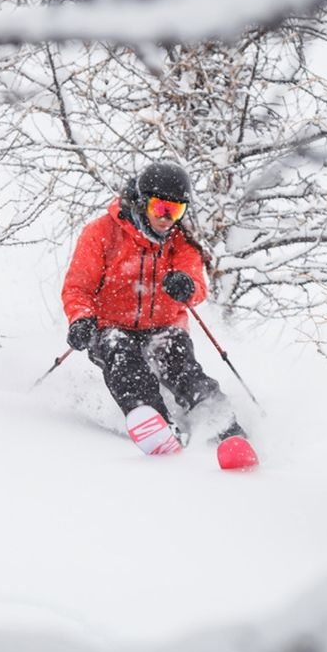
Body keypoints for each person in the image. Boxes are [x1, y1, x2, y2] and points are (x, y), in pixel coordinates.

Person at [61, 160, 246, 446]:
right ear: (141, 202)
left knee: (182, 366)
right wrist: (81, 319)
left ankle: (227, 430)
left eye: (176, 210)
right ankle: (155, 423)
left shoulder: (180, 240)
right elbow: (78, 287)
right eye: (160, 208)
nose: (166, 218)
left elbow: (196, 285)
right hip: (111, 325)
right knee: (121, 355)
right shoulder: (102, 233)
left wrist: (185, 285)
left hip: (164, 325)